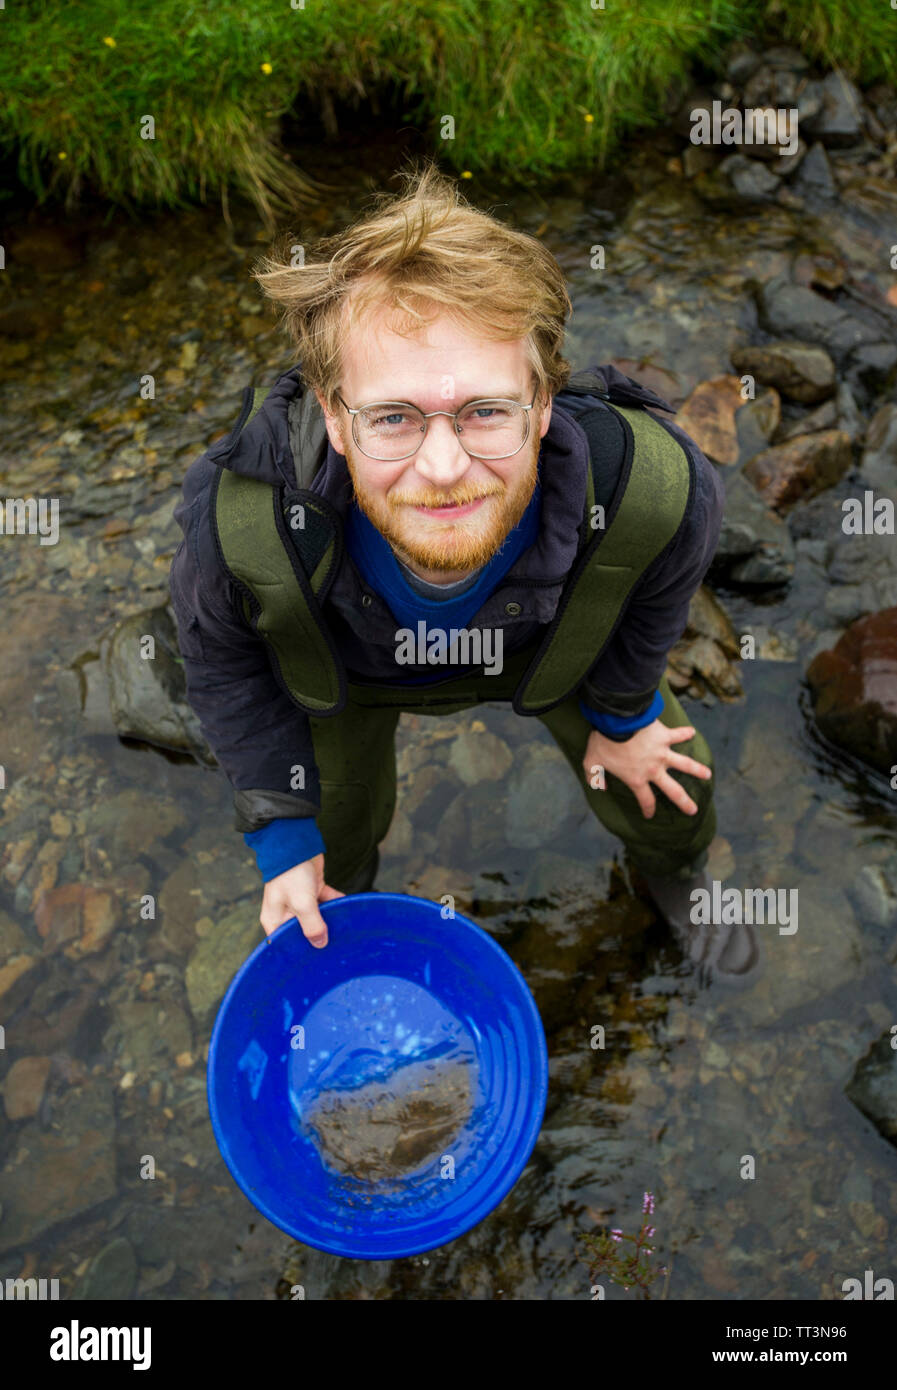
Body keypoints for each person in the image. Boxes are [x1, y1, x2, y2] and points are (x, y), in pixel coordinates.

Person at [169, 160, 761, 987]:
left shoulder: (652, 485)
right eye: (392, 418)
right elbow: (221, 661)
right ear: (335, 419)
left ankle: (677, 874)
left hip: (552, 645)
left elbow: (661, 589)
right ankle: (336, 931)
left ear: (544, 402)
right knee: (321, 849)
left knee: (666, 780)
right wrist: (280, 834)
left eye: (485, 411)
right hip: (344, 668)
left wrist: (621, 713)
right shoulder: (243, 523)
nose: (443, 468)